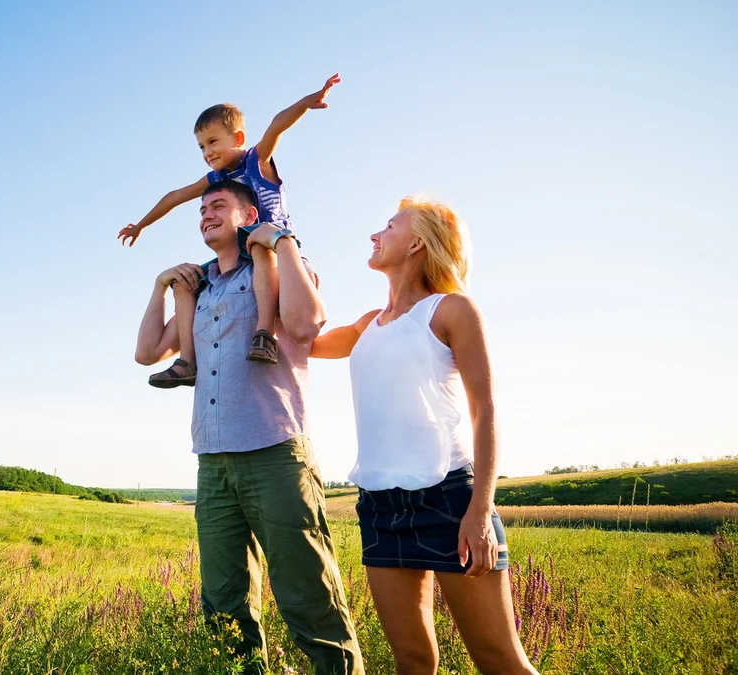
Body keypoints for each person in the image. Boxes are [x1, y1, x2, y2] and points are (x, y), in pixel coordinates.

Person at [134, 179, 363, 674]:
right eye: (200, 211)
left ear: (247, 215)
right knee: (223, 605)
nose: (204, 215)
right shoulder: (199, 291)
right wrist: (159, 286)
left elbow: (306, 326)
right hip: (213, 461)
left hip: (275, 452)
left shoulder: (277, 270)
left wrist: (281, 241)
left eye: (217, 205)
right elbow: (147, 352)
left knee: (308, 596)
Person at [310, 196, 539, 675]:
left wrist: (479, 509)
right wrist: (283, 257)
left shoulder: (451, 311)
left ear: (416, 242)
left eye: (389, 226)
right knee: (412, 660)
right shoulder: (365, 325)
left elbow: (486, 410)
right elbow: (298, 340)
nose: (375, 235)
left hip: (450, 500)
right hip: (379, 506)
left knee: (500, 661)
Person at [120, 73, 342, 388]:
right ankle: (188, 361)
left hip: (272, 244)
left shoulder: (256, 160)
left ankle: (264, 332)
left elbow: (276, 125)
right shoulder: (215, 179)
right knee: (187, 281)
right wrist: (142, 224)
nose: (207, 152)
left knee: (257, 245)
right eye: (201, 147)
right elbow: (175, 196)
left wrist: (307, 102)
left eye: (212, 142)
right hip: (239, 253)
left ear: (237, 139)